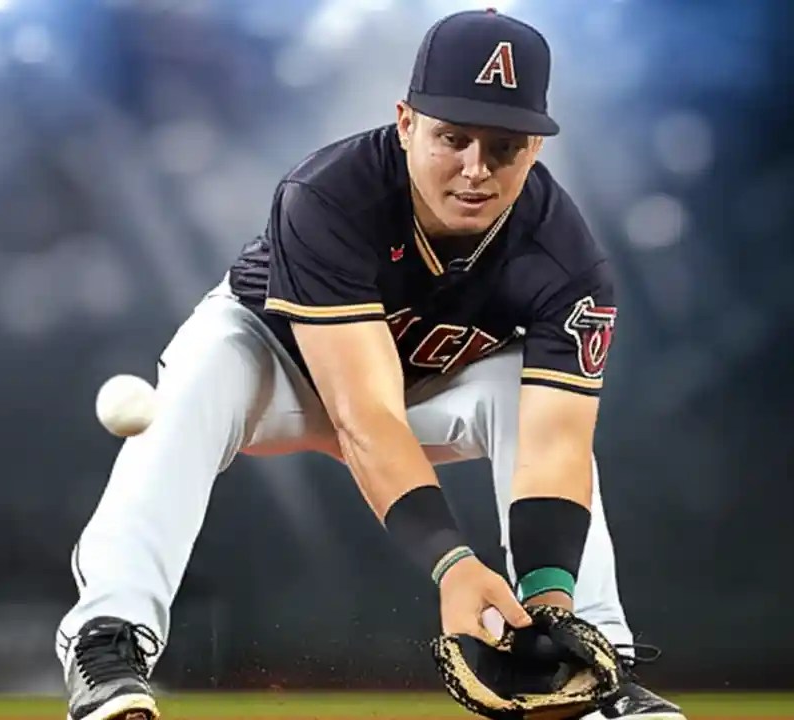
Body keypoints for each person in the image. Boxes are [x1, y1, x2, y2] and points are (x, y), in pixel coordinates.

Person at [56, 9, 686, 720]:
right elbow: (364, 417)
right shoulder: (330, 197)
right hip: (279, 369)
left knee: (522, 394)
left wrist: (545, 603)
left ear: (535, 148)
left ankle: (594, 666)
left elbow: (555, 446)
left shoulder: (568, 260)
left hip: (423, 397)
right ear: (407, 121)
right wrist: (452, 564)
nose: (476, 168)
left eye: (505, 145)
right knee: (197, 382)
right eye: (454, 136)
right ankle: (107, 643)